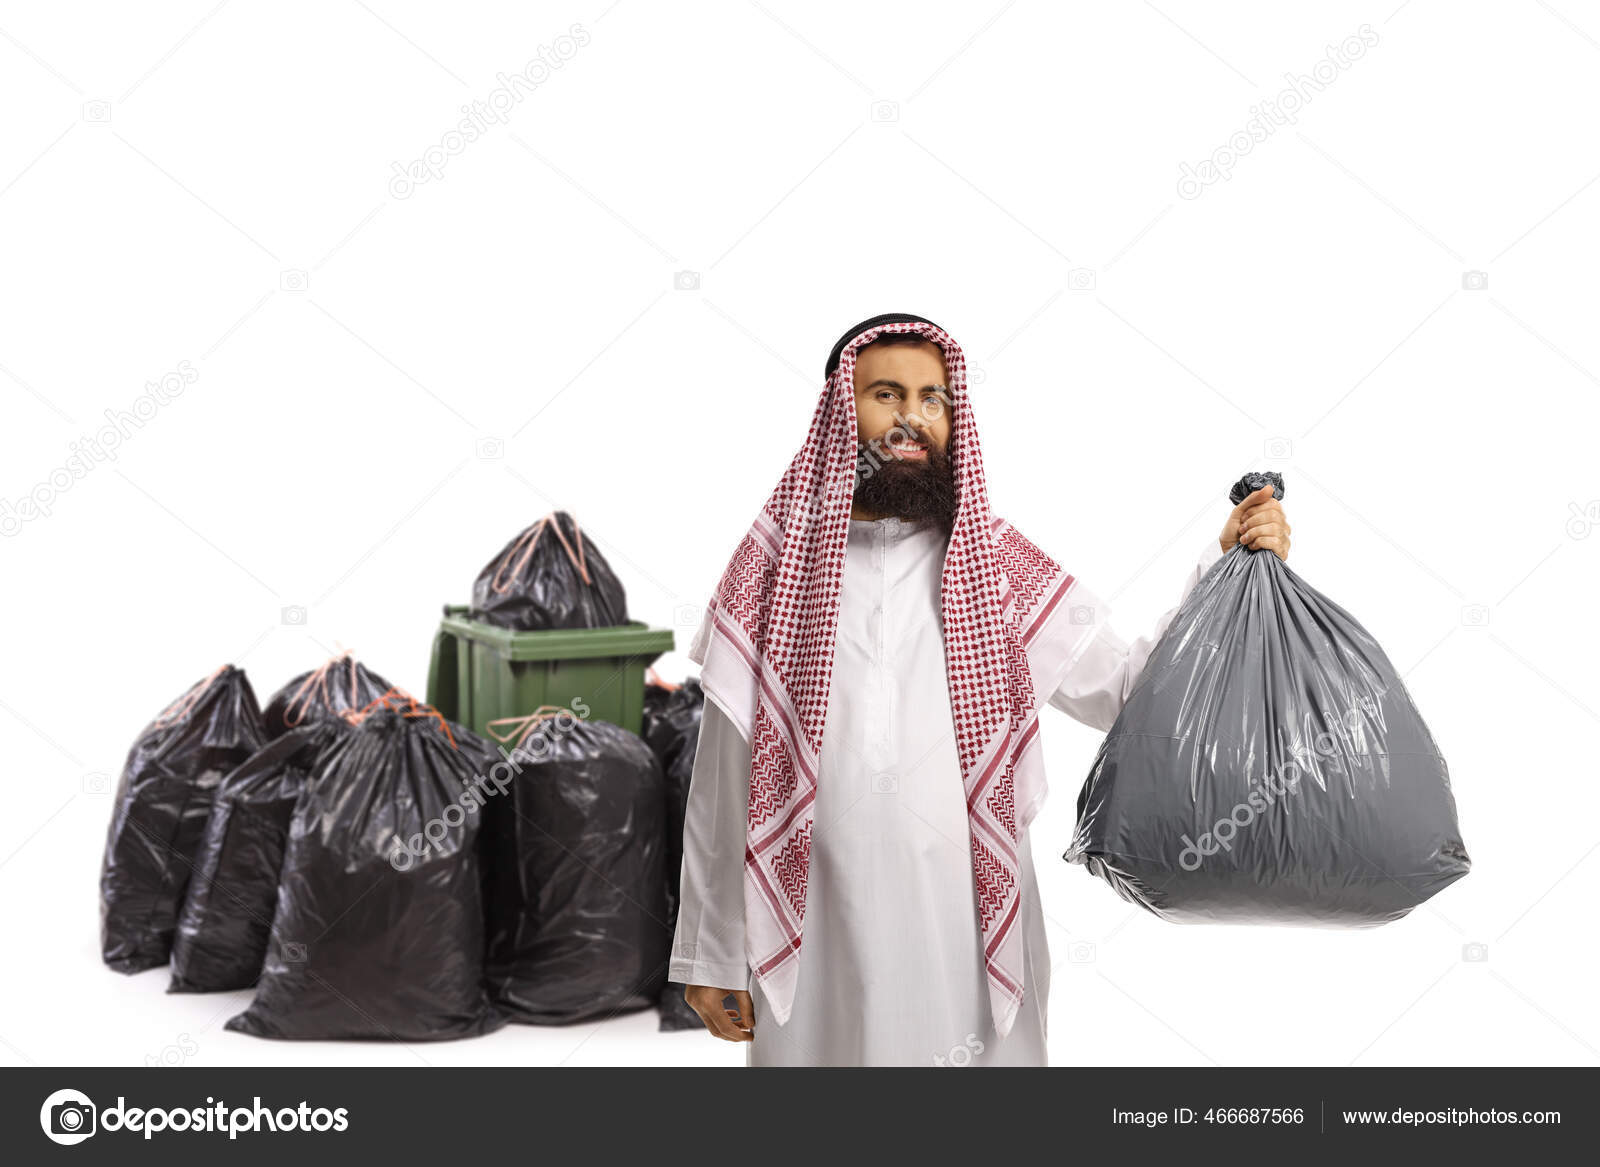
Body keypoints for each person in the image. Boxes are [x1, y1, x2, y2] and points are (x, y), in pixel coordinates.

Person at [669, 313, 1290, 1066]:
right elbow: (723, 775)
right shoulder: (772, 570)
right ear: (838, 411)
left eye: (934, 398)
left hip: (967, 918)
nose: (912, 418)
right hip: (812, 920)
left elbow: (1130, 687)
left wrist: (1220, 567)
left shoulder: (993, 565)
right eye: (886, 394)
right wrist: (708, 951)